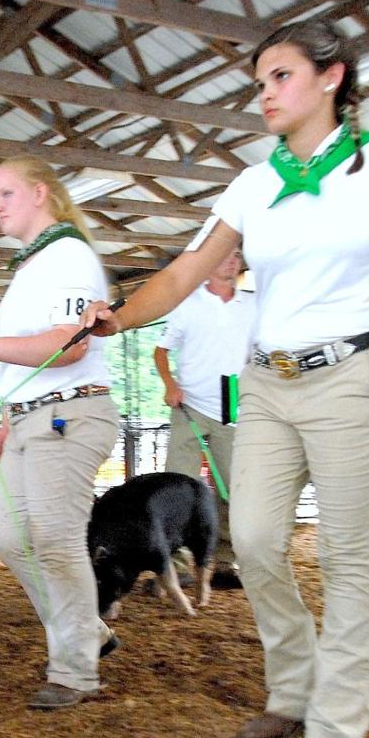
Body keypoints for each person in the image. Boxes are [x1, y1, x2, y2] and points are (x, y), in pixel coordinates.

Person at [79, 18, 369, 738]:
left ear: (331, 77)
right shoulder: (253, 183)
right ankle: (293, 688)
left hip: (352, 378)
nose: (265, 94)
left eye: (280, 77)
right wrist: (120, 312)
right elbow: (184, 272)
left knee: (345, 556)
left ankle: (337, 729)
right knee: (259, 539)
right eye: (260, 82)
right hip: (267, 382)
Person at [0, 155, 119, 710]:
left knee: (55, 539)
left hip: (69, 415)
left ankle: (74, 671)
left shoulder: (68, 256)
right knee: (11, 537)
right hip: (29, 418)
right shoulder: (32, 266)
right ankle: (86, 631)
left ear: (41, 193)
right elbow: (30, 362)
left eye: (5, 193)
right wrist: (6, 419)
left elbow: (70, 345)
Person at [153, 246, 257, 585]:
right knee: (179, 485)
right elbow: (161, 350)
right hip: (190, 402)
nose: (231, 260)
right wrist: (170, 384)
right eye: (224, 254)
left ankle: (226, 560)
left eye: (236, 255)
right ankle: (179, 564)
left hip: (232, 403)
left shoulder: (253, 305)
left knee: (233, 486)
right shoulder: (188, 303)